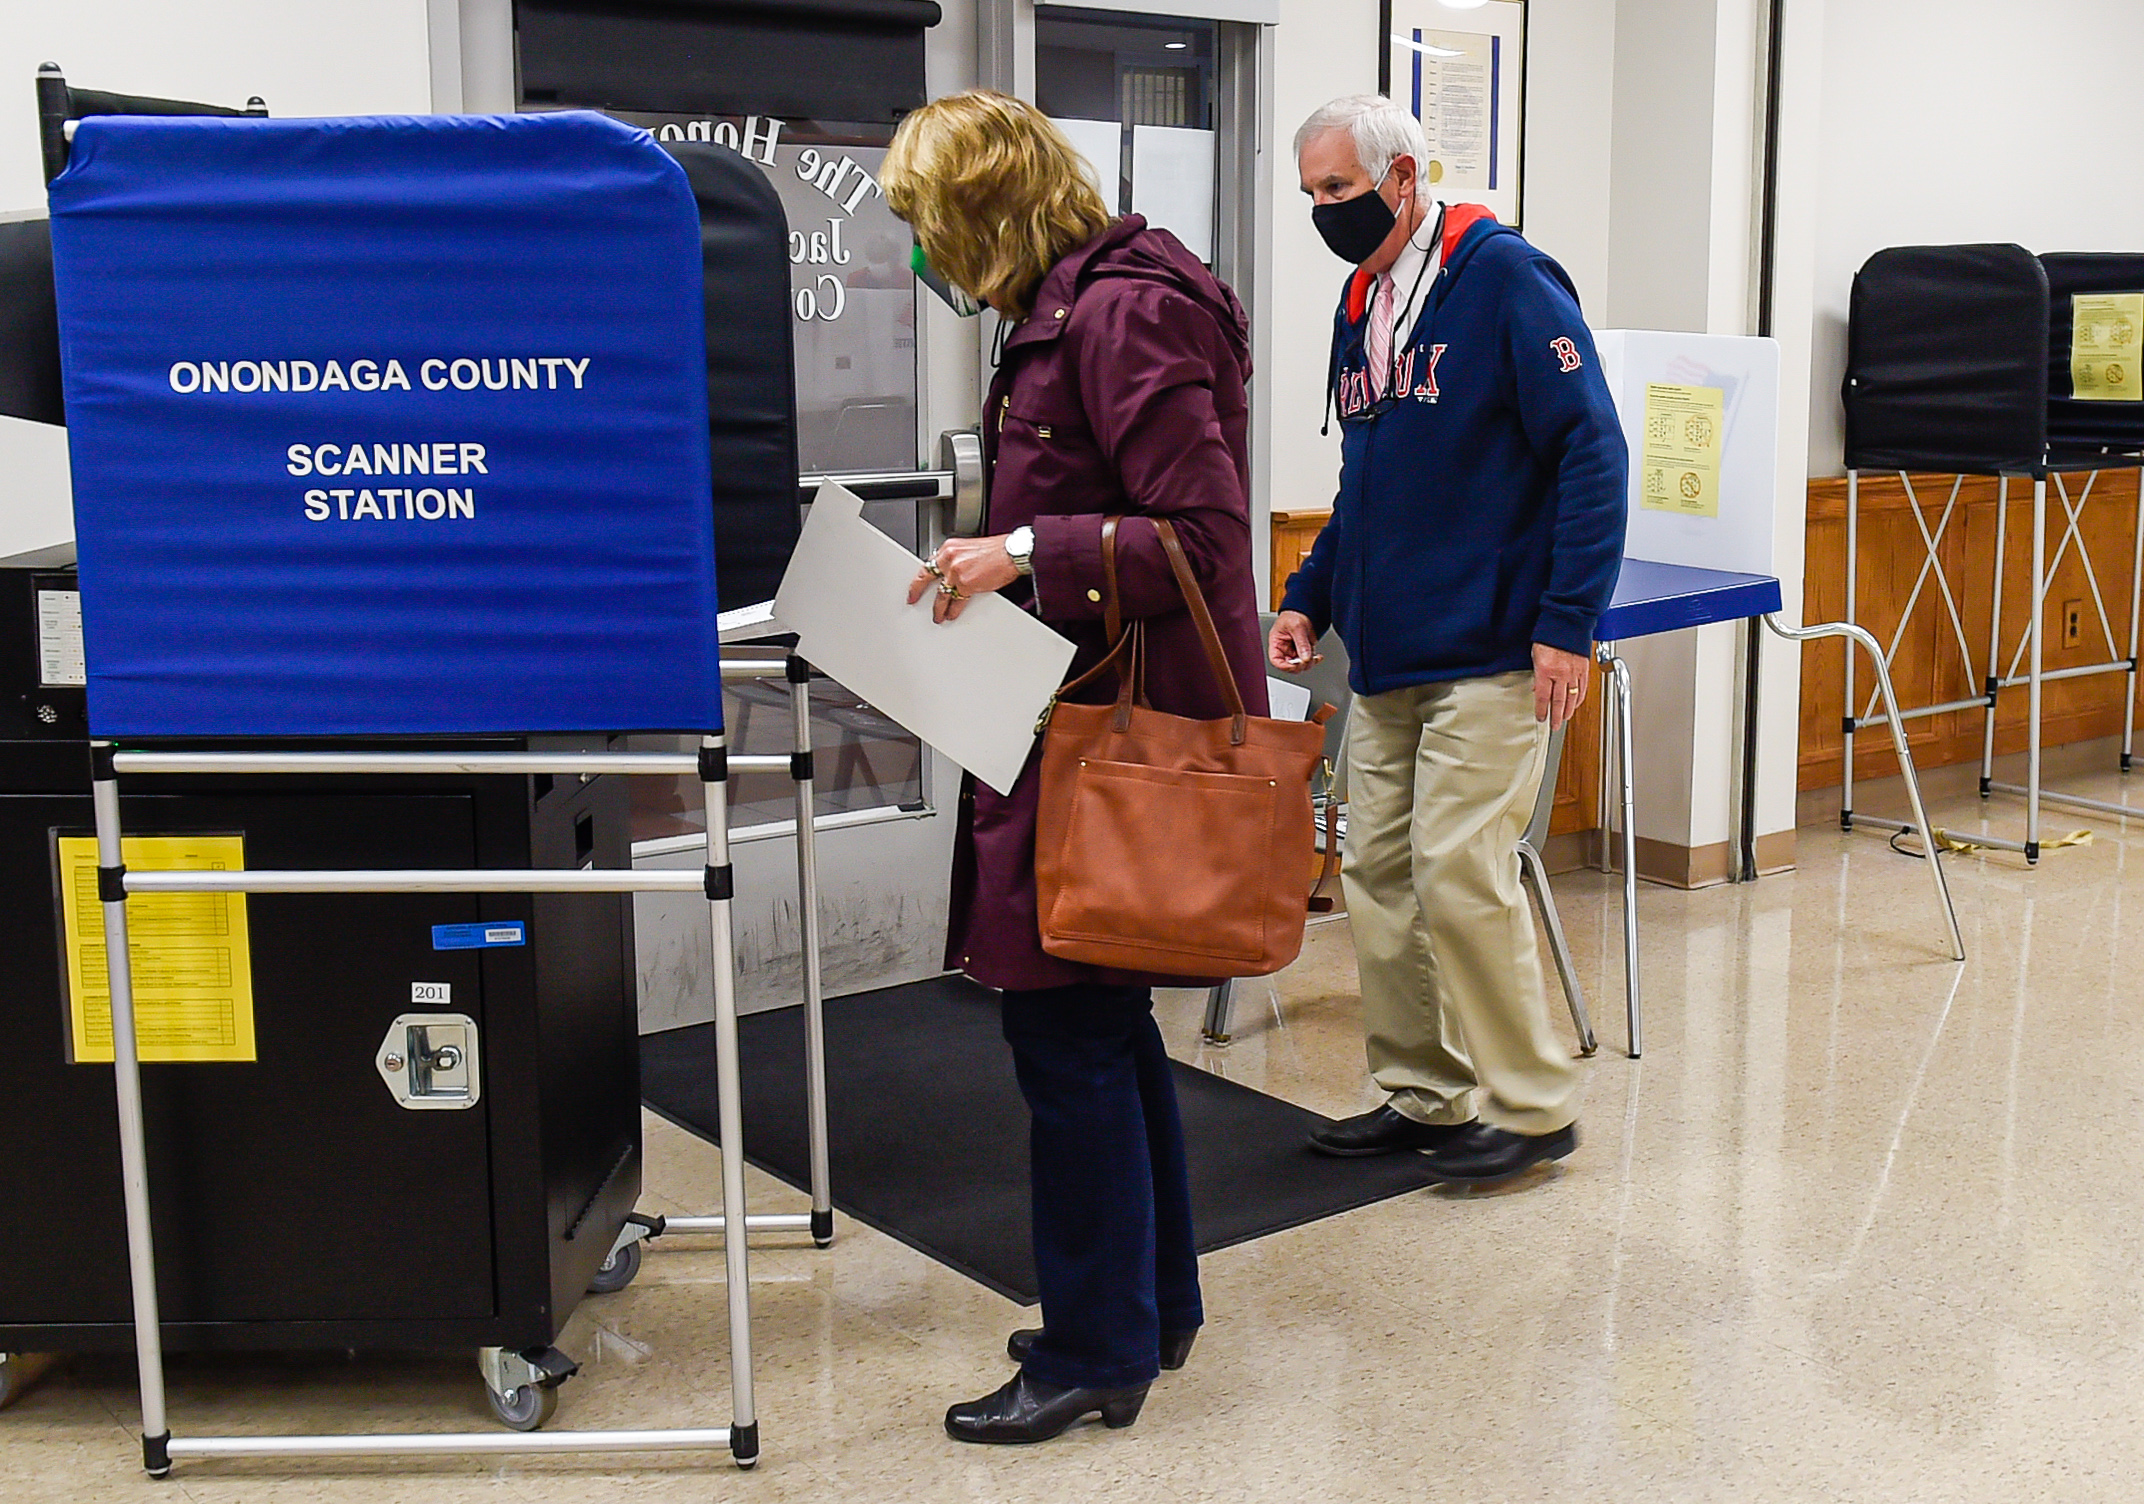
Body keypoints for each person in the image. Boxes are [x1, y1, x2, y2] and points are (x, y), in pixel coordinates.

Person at [882, 90, 1267, 1445]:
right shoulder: (1070, 304)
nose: (925, 255)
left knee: (1067, 1036)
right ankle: (1145, 1311)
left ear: (988, 207)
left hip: (1110, 732)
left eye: (932, 223)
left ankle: (1096, 1348)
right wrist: (1012, 558)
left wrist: (1024, 556)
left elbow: (1203, 541)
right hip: (1066, 707)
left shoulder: (1123, 311)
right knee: (1099, 1029)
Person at [1271, 95, 1626, 1183]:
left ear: (1404, 176)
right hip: (1388, 653)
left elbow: (1591, 455)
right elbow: (1363, 482)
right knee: (1376, 866)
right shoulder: (1360, 301)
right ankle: (1425, 1094)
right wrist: (1307, 597)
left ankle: (1532, 1107)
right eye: (1311, 194)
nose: (1323, 209)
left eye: (1336, 188)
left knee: (1457, 865)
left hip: (1492, 646)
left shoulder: (1503, 281)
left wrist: (1565, 625)